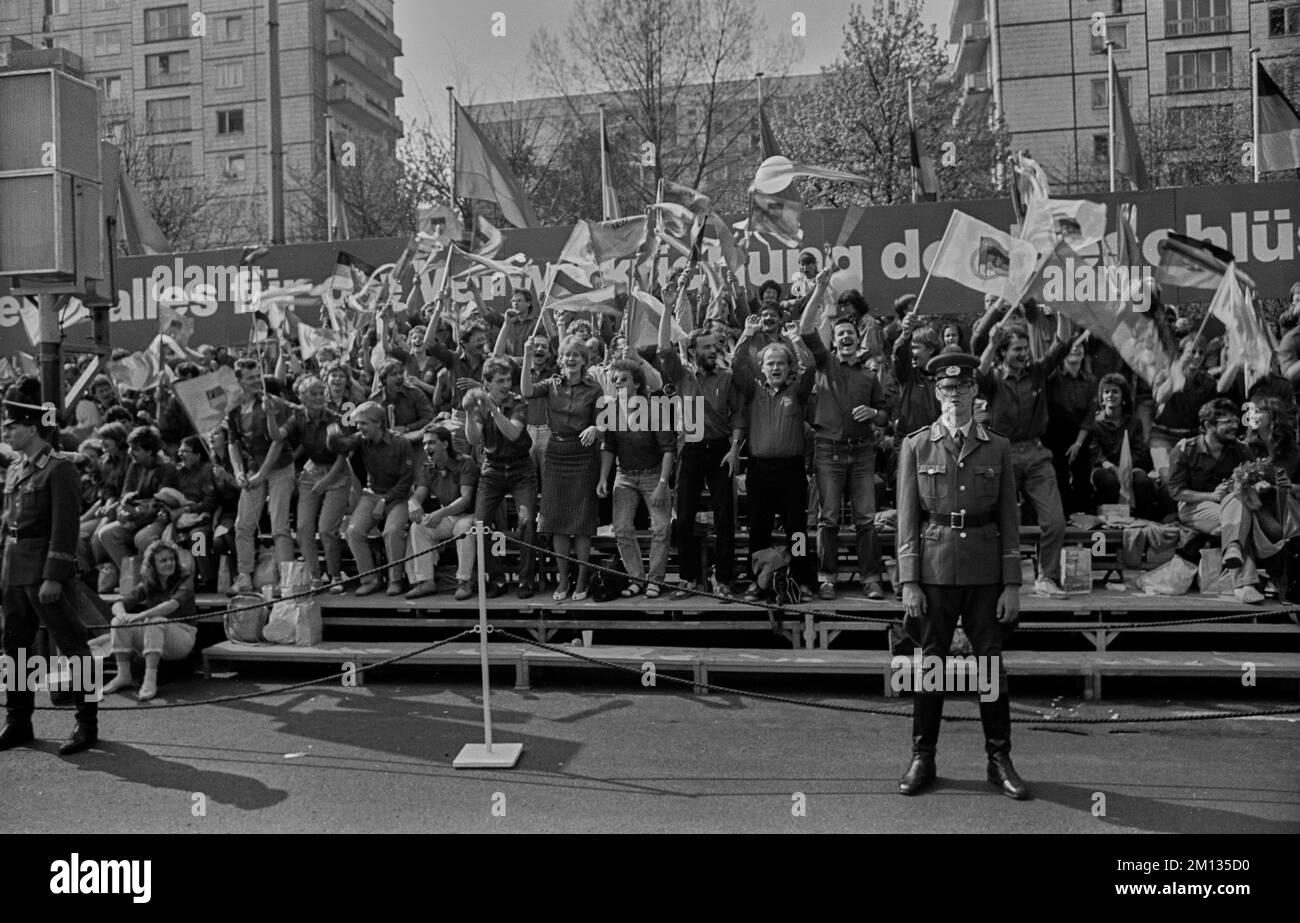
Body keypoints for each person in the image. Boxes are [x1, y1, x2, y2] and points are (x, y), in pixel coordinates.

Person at [895, 354, 1026, 799]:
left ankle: (999, 758)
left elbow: (1010, 516)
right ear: (937, 393)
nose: (955, 395)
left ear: (975, 393)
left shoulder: (998, 446)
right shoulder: (916, 445)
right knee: (931, 665)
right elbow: (907, 518)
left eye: (963, 388)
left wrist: (1012, 582)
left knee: (989, 664)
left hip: (985, 568)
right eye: (947, 389)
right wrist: (909, 581)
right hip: (933, 566)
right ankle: (922, 757)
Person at [0, 398, 100, 756]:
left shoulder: (59, 469)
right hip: (14, 570)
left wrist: (54, 576)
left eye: (11, 426)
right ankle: (18, 720)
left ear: (32, 428)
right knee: (14, 651)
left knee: (74, 649)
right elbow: (7, 524)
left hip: (44, 571)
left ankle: (87, 724)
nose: (6, 431)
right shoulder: (16, 468)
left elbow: (65, 528)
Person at [799, 266, 890, 600]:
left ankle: (871, 578)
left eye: (850, 331)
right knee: (829, 519)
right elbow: (805, 327)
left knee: (866, 519)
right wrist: (820, 290)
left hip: (863, 452)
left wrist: (873, 414)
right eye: (839, 334)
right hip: (828, 452)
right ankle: (827, 577)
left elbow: (883, 417)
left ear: (857, 337)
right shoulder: (825, 363)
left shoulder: (869, 375)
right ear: (834, 343)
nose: (846, 336)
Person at [976, 315, 1072, 598]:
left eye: (1025, 348)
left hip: (1035, 453)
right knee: (991, 521)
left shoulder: (1039, 372)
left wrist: (1063, 310)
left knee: (1055, 521)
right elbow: (978, 375)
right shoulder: (993, 379)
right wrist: (990, 346)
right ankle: (991, 579)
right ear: (1004, 352)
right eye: (1016, 349)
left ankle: (1047, 577)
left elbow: (1062, 343)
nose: (1024, 354)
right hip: (999, 454)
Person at [655, 313, 745, 601]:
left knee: (724, 519)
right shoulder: (681, 375)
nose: (713, 351)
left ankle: (724, 580)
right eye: (706, 347)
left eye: (714, 347)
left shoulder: (727, 378)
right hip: (691, 451)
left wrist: (734, 448)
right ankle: (689, 579)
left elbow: (738, 418)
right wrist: (667, 307)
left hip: (721, 451)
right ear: (693, 351)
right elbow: (663, 350)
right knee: (682, 520)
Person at [732, 324, 818, 600]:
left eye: (781, 363)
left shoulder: (797, 392)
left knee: (797, 530)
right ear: (763, 368)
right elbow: (736, 364)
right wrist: (746, 335)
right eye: (771, 363)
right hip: (759, 469)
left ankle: (803, 580)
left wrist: (794, 337)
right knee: (759, 527)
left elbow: (811, 367)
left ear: (788, 367)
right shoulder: (753, 390)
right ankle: (759, 581)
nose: (776, 367)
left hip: (791, 470)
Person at [522, 335, 603, 601]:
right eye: (567, 355)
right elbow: (526, 391)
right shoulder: (552, 384)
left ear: (584, 360)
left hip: (583, 456)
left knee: (581, 522)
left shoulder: (594, 388)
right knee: (556, 521)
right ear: (561, 359)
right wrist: (525, 355)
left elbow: (604, 422)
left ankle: (581, 579)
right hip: (555, 454)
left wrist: (595, 426)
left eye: (576, 355)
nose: (571, 359)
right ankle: (563, 579)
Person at [597, 359, 675, 598]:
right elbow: (609, 447)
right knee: (621, 528)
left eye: (623, 379)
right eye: (614, 380)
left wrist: (663, 483)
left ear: (637, 383)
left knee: (661, 528)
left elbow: (668, 449)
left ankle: (655, 579)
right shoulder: (611, 410)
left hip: (653, 474)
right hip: (624, 475)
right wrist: (603, 478)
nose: (618, 383)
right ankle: (636, 578)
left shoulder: (654, 408)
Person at [1166, 397, 1255, 594]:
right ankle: (1245, 583)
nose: (1234, 426)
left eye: (1235, 421)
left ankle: (1243, 577)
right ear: (1208, 425)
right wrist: (1211, 496)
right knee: (1241, 524)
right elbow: (1176, 492)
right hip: (1194, 507)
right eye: (1227, 423)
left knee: (1236, 516)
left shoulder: (1240, 450)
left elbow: (1254, 479)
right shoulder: (1185, 449)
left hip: (1232, 505)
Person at [465, 357, 536, 599]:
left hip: (521, 469)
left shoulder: (518, 402)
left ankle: (526, 580)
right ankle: (497, 578)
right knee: (481, 524)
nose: (506, 385)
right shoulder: (478, 404)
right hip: (493, 469)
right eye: (500, 381)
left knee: (526, 522)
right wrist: (468, 412)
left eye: (508, 380)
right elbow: (474, 439)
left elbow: (513, 433)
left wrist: (492, 407)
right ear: (487, 383)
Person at [225, 358, 294, 595]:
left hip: (280, 467)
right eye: (251, 377)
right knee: (242, 525)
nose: (257, 381)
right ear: (239, 381)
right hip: (253, 468)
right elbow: (232, 443)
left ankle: (287, 579)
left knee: (279, 526)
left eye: (258, 376)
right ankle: (244, 576)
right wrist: (238, 472)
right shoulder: (232, 408)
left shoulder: (273, 403)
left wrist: (262, 474)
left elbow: (278, 442)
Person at [99, 538, 198, 701]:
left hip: (183, 636)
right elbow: (119, 602)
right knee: (118, 623)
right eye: (163, 560)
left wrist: (139, 616)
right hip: (155, 632)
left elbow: (171, 605)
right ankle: (123, 675)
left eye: (172, 559)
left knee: (154, 620)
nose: (169, 563)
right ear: (153, 565)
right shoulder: (149, 581)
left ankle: (150, 679)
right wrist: (122, 615)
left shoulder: (185, 577)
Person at [277, 375, 351, 590]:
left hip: (336, 474)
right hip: (312, 471)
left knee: (327, 529)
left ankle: (335, 575)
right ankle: (315, 576)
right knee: (303, 527)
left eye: (321, 393)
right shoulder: (298, 418)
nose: (319, 397)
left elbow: (342, 456)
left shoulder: (335, 420)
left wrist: (326, 481)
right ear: (302, 398)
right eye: (313, 394)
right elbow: (279, 436)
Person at [91, 425, 178, 593]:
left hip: (157, 518)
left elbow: (160, 502)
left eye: (136, 449)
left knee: (142, 538)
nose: (130, 452)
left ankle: (160, 582)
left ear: (150, 451)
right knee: (107, 533)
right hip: (135, 516)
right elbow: (126, 495)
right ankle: (136, 579)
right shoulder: (134, 466)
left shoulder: (166, 468)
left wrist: (136, 519)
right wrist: (124, 513)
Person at [344, 401, 415, 596]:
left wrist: (385, 501)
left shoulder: (401, 443)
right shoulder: (362, 440)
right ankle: (369, 579)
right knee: (353, 531)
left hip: (398, 496)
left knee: (392, 532)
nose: (359, 428)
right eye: (357, 424)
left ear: (378, 423)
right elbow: (344, 444)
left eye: (363, 423)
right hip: (372, 494)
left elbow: (406, 481)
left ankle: (395, 579)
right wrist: (333, 439)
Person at [1081, 373, 1173, 522]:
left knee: (1142, 479)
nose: (1110, 395)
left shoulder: (1134, 423)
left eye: (1115, 391)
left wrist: (1126, 469)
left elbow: (1138, 451)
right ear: (1102, 398)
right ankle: (1109, 520)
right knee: (1108, 480)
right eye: (1107, 392)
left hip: (1129, 467)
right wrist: (1114, 469)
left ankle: (1138, 518)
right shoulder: (1095, 424)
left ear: (1123, 397)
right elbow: (1096, 454)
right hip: (1104, 467)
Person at [405, 425, 478, 599]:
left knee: (463, 528)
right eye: (424, 443)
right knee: (419, 527)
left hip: (472, 515)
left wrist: (439, 514)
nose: (426, 447)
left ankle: (464, 582)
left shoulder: (465, 462)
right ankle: (426, 581)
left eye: (431, 443)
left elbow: (465, 499)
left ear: (445, 444)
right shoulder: (428, 466)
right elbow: (419, 494)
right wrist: (413, 503)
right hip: (449, 515)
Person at [1047, 334, 1096, 515]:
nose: (1075, 349)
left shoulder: (1091, 381)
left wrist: (1078, 443)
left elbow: (1090, 414)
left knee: (1082, 480)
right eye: (1071, 346)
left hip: (1079, 437)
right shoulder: (1053, 378)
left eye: (1079, 346)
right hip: (1054, 435)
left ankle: (1081, 521)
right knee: (1059, 480)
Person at [372, 357, 435, 445]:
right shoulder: (375, 400)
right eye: (394, 374)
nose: (399, 377)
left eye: (401, 373)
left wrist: (407, 428)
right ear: (384, 379)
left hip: (414, 444)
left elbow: (429, 418)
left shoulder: (415, 393)